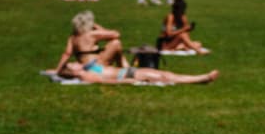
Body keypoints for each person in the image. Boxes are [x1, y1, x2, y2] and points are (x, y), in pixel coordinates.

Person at [51, 12, 216, 84]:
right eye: (71, 65)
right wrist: (131, 80)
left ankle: (200, 79)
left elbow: (67, 54)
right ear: (74, 72)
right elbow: (107, 82)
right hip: (127, 74)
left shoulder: (87, 67)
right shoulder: (86, 74)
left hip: (125, 73)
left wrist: (59, 70)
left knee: (163, 76)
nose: (74, 62)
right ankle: (201, 79)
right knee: (163, 76)